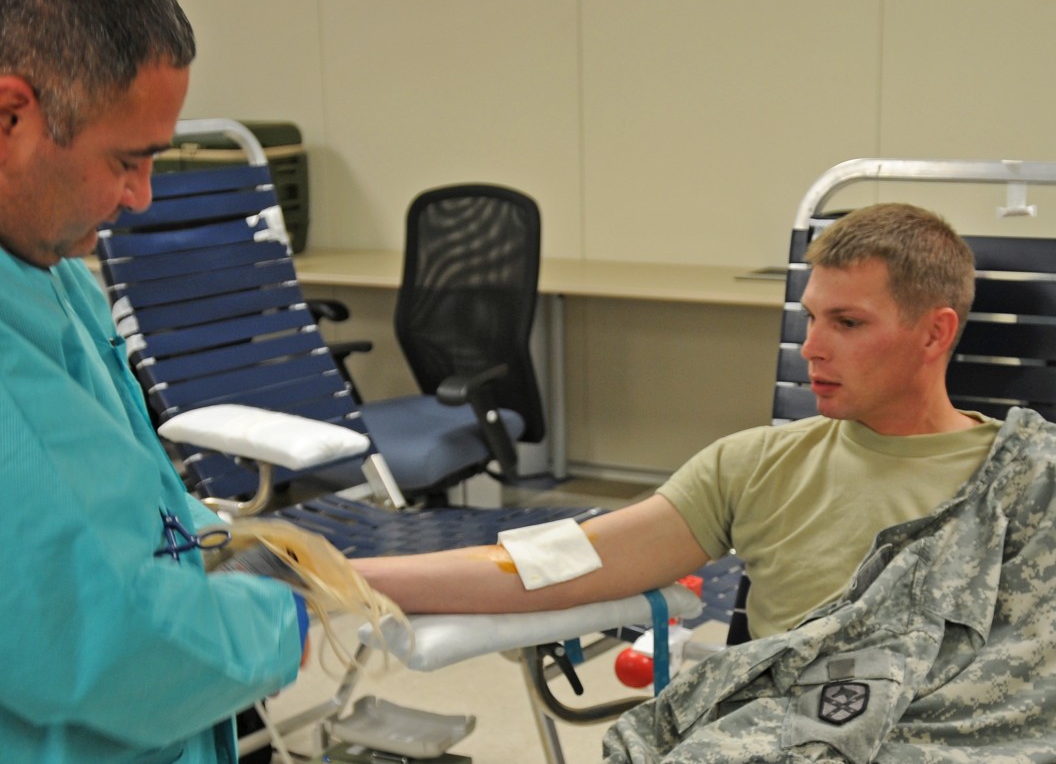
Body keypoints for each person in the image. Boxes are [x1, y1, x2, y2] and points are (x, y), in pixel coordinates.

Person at [0, 0, 306, 763]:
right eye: (126, 160)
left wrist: (215, 545)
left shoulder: (14, 247)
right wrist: (282, 621)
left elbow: (111, 483)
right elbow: (78, 633)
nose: (143, 198)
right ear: (8, 118)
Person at [354, 202, 1001, 641]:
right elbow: (559, 563)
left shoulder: (1026, 479)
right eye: (811, 317)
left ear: (934, 333)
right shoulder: (755, 467)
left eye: (848, 323)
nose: (811, 347)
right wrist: (338, 579)